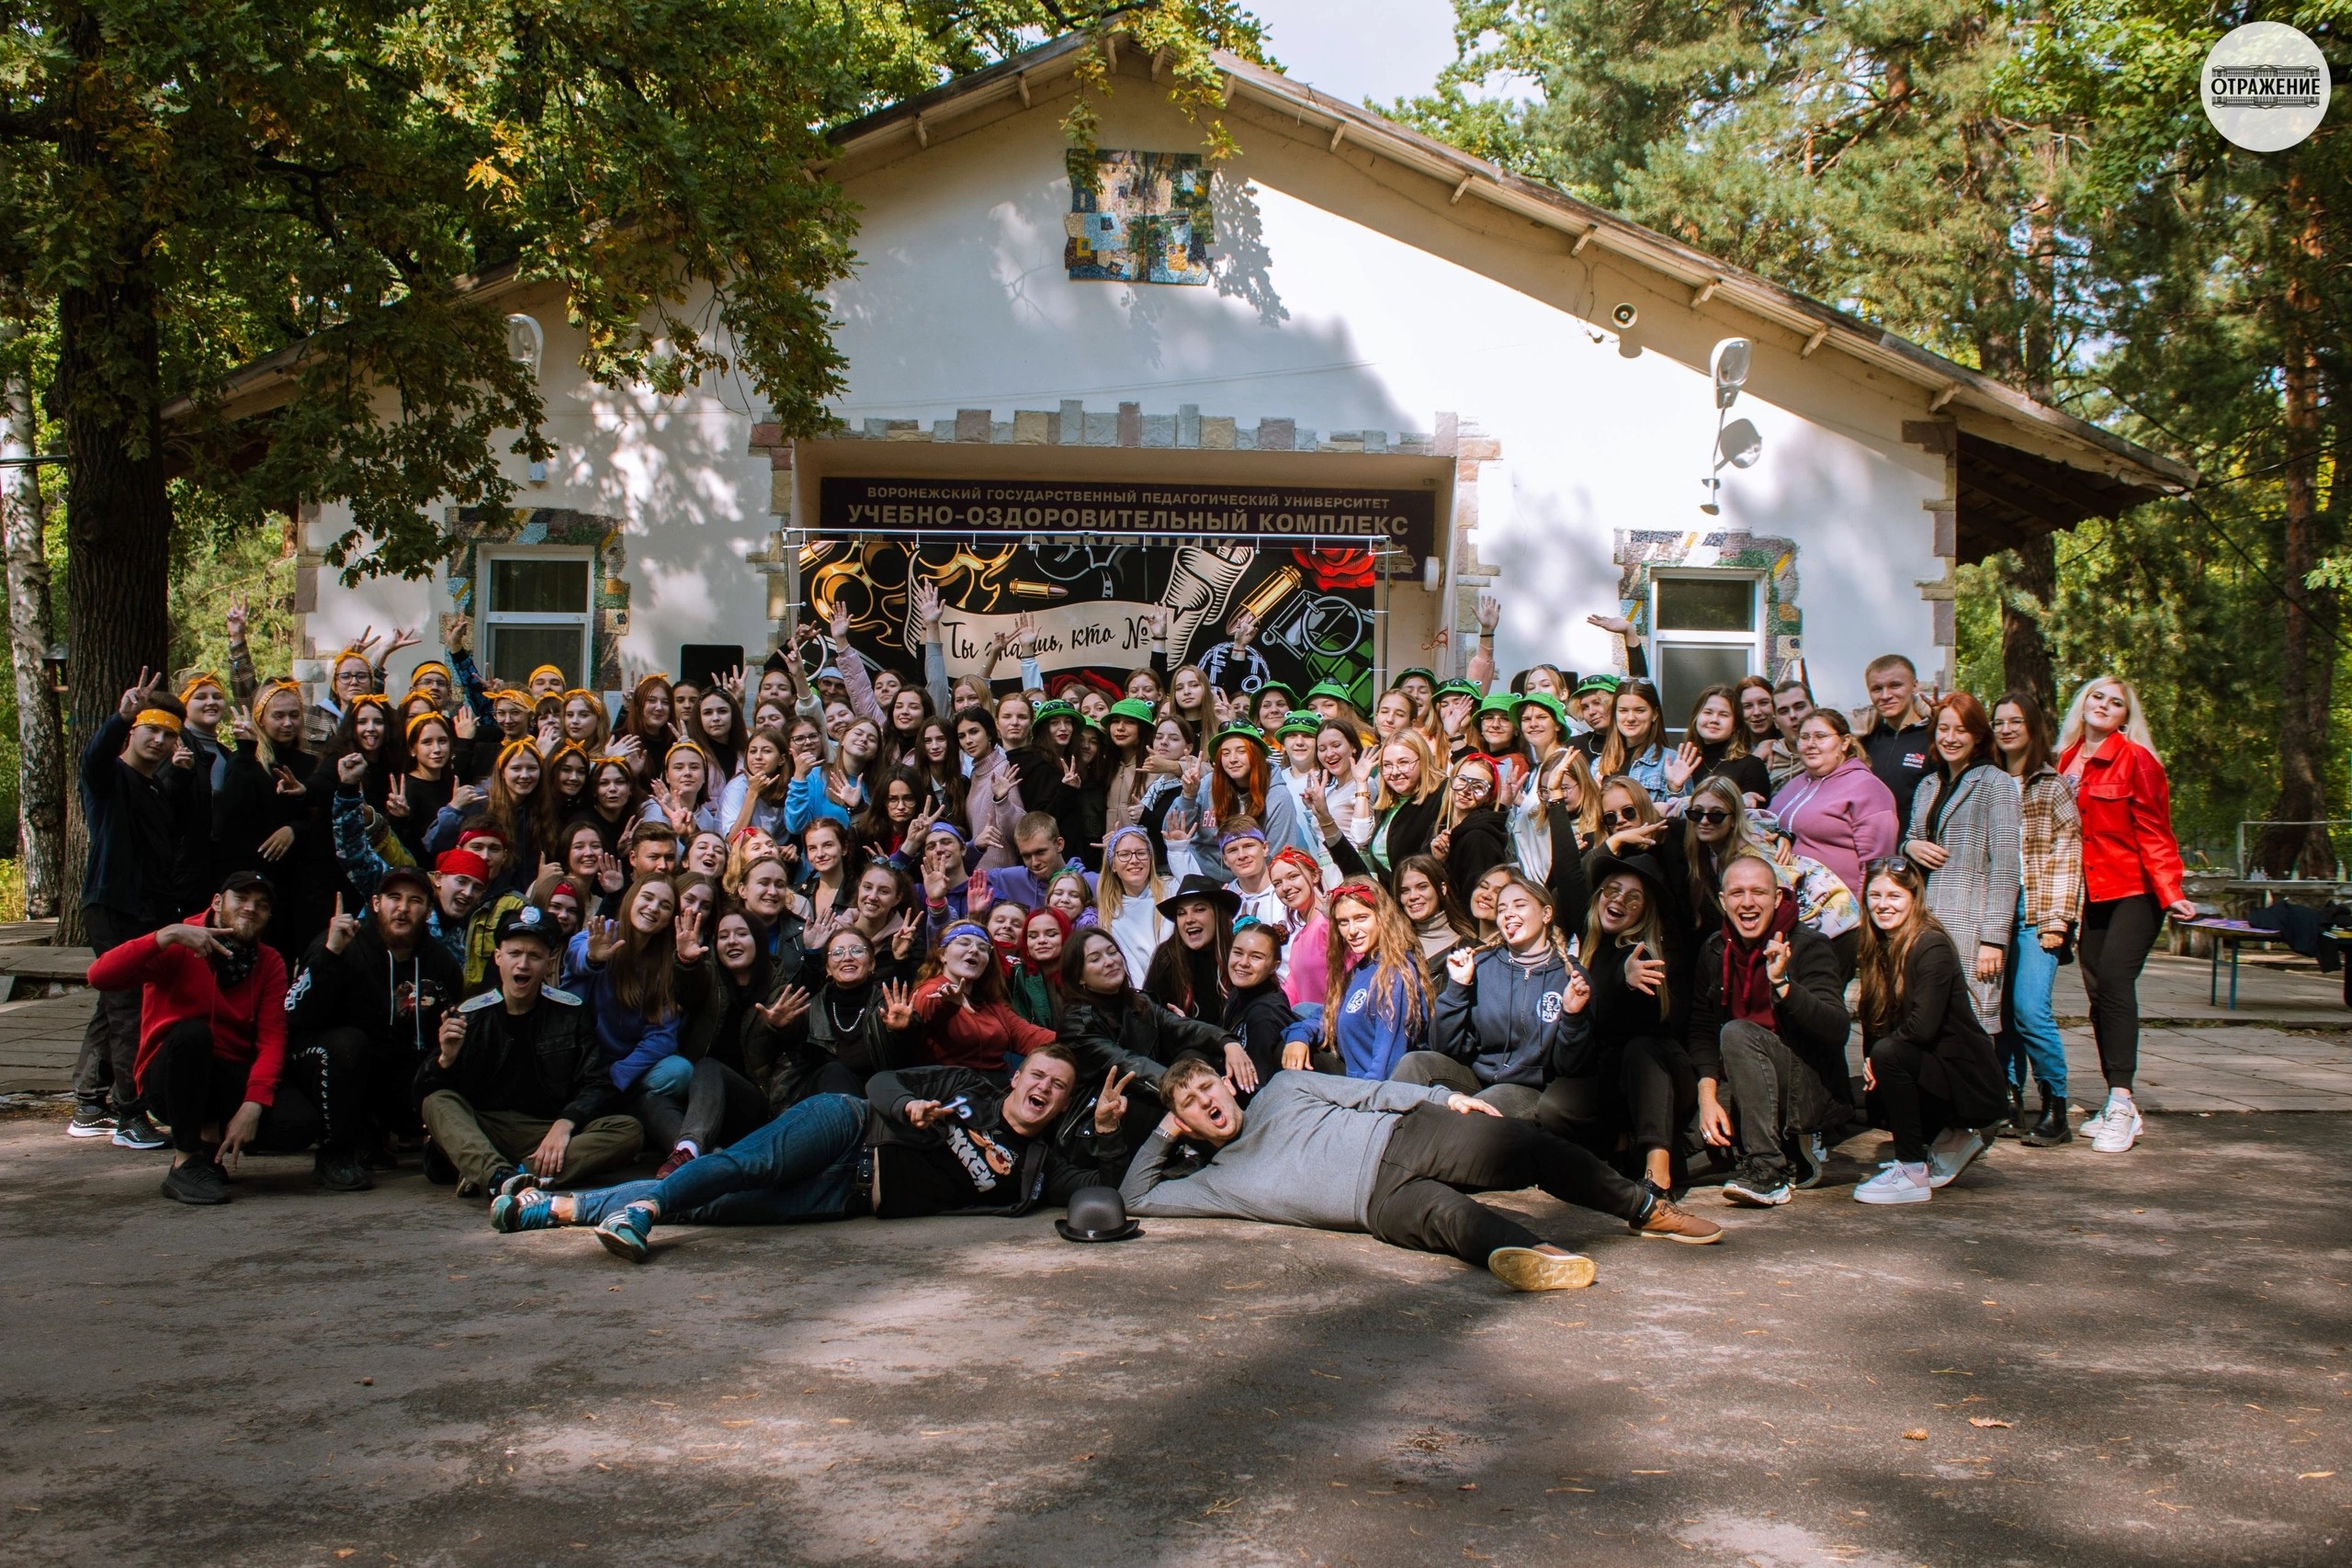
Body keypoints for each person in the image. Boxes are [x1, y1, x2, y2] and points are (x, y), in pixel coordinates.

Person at [1121, 1056, 1721, 1293]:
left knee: (1529, 1147)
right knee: (1457, 1224)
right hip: (1376, 1206)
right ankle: (1543, 1256)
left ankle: (1645, 1208)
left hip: (1407, 1134)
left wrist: (1441, 1096)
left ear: (1227, 1084)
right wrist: (1164, 1131)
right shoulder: (1215, 1179)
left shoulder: (1282, 1088)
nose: (1206, 1102)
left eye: (1208, 1088)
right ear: (1185, 1124)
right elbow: (1135, 1196)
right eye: (1190, 1104)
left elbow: (1368, 1092)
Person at [493, 1047, 1130, 1260]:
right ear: (1017, 1077)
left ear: (1061, 1104)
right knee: (743, 1165)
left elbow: (1100, 1194)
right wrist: (909, 1106)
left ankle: (547, 1208)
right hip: (845, 1126)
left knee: (715, 1206)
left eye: (1058, 1087)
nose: (1044, 1088)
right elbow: (883, 1081)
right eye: (1037, 1075)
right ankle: (641, 1213)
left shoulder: (1037, 1167)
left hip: (843, 1195)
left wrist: (1105, 1133)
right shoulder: (970, 1086)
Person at [87, 872, 356, 1202]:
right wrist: (166, 935)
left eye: (261, 905)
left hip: (228, 1074)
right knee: (193, 1033)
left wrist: (253, 1104)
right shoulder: (180, 942)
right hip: (171, 1075)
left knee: (299, 1123)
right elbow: (100, 976)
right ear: (217, 902)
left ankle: (210, 1144)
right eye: (241, 899)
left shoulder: (269, 960)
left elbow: (272, 1038)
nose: (250, 908)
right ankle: (185, 1162)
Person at [417, 906, 644, 1198]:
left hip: (544, 1133)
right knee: (436, 1101)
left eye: (534, 956)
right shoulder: (469, 1014)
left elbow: (597, 1082)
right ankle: (498, 1175)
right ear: (498, 957)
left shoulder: (570, 1012)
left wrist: (565, 1124)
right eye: (514, 954)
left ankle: (511, 1173)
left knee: (629, 1130)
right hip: (482, 1130)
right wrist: (446, 1059)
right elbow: (423, 1096)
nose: (523, 964)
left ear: (548, 964)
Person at [2056, 676, 2193, 1156]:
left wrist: (2170, 891)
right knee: (2099, 993)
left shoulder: (2138, 759)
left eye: (2116, 703)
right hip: (2091, 893)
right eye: (2097, 696)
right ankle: (2114, 1098)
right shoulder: (2064, 760)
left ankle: (2122, 1102)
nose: (2104, 705)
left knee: (2115, 981)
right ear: (2083, 704)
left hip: (2135, 889)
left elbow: (2155, 831)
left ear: (2124, 717)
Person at [1683, 854, 1850, 1207]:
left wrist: (1784, 985)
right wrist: (1707, 1098)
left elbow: (1837, 1030)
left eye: (1758, 892)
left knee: (1737, 1032)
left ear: (1776, 899)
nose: (1747, 902)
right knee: (1682, 1153)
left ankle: (1768, 1170)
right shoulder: (1714, 950)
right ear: (1723, 900)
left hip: (1803, 1085)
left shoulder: (1808, 945)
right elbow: (1701, 1029)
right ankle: (1784, 1150)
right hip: (1743, 1080)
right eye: (1737, 893)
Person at [69, 674, 186, 1148]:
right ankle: (130, 1115)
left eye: (169, 734)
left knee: (112, 1003)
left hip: (147, 910)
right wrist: (119, 718)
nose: (159, 740)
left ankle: (88, 1102)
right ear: (133, 731)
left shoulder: (156, 787)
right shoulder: (110, 777)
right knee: (127, 1009)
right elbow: (93, 760)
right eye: (150, 729)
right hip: (113, 905)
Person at [284, 869, 464, 1172]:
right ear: (376, 903)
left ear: (428, 911)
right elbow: (295, 1014)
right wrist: (330, 955)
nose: (403, 908)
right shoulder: (342, 943)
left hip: (394, 1071)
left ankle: (381, 1136)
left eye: (415, 900)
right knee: (348, 1045)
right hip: (329, 1067)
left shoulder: (439, 961)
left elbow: (448, 1028)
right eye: (394, 898)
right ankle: (335, 1154)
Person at [1851, 859, 2008, 1204]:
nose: (1883, 904)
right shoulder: (1881, 944)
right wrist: (1871, 1059)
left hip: (1969, 1081)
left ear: (1914, 898)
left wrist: (1879, 1057)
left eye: (1894, 896)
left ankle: (1911, 1171)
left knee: (1888, 1055)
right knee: (1867, 1090)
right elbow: (1875, 1019)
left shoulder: (1930, 945)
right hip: (1935, 1069)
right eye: (1875, 895)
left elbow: (1922, 1028)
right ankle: (1948, 1138)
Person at [1404, 873, 1587, 1116]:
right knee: (1414, 1064)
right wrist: (1457, 988)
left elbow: (1571, 1067)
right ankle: (1386, 1130)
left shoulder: (1569, 977)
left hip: (1529, 1090)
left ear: (1546, 914)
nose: (1508, 913)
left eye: (1519, 905)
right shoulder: (1482, 965)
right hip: (1476, 1077)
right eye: (1502, 909)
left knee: (1481, 1109)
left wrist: (1573, 1017)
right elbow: (1443, 1048)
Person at [1992, 690, 2081, 1145]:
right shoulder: (1986, 780)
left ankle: (2055, 1107)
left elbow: (2068, 855)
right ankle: (2010, 1101)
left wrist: (2058, 920)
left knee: (2030, 1009)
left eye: (2015, 721)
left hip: (2037, 909)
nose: (2006, 729)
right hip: (1994, 910)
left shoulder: (2051, 784)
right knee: (2000, 1012)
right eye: (1999, 722)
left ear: (2032, 727)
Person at [1904, 694, 2020, 1041]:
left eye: (1961, 730)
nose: (1950, 738)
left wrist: (1993, 940)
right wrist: (1909, 846)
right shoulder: (1928, 785)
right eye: (1943, 729)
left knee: (1972, 1024)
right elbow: (1911, 837)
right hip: (1924, 919)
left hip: (1970, 922)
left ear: (1978, 736)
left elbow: (2005, 867)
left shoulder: (1996, 783)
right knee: (1924, 1017)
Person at [1770, 709, 1900, 962]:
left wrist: (1865, 925)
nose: (1811, 744)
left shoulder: (1867, 788)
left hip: (1840, 923)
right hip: (1792, 917)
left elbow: (1876, 863)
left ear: (1845, 741)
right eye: (1804, 737)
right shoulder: (1794, 784)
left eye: (1821, 736)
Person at [1319, 879, 1431, 1080]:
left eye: (1361, 918)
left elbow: (1387, 1063)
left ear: (1381, 917)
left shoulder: (1395, 974)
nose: (1352, 931)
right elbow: (1327, 1014)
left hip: (1378, 1090)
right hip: (1357, 1083)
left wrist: (1363, 1096)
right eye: (1343, 922)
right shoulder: (1360, 970)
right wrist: (1299, 1036)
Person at [1860, 654, 1936, 838]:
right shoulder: (1864, 740)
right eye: (1877, 689)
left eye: (1895, 685)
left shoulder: (1935, 738)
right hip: (1870, 847)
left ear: (1914, 686)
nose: (1886, 696)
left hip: (1918, 847)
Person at [1667, 684, 1772, 805]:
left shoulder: (1752, 766)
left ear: (1735, 725)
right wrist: (1675, 789)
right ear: (1696, 718)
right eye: (1708, 712)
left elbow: (1755, 814)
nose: (1714, 720)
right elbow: (1673, 813)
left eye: (1723, 715)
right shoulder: (1684, 764)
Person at [1097, 825, 1172, 985]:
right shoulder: (1109, 913)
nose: (1134, 860)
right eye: (1124, 854)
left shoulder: (1170, 892)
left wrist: (1179, 851)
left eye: (1141, 853)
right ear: (1113, 865)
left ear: (1151, 859)